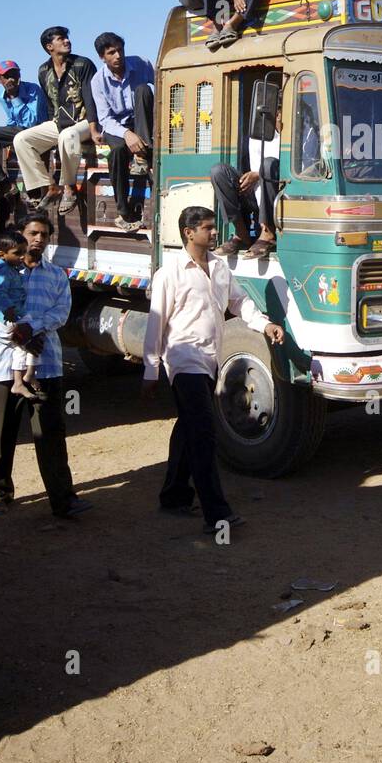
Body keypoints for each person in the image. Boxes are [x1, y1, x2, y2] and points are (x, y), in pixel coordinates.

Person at [141, 206, 284, 534]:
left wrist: (266, 325)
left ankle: (174, 495)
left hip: (209, 362)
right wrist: (150, 372)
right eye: (207, 228)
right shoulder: (170, 273)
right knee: (204, 435)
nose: (214, 232)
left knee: (188, 429)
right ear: (188, 233)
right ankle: (217, 514)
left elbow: (240, 304)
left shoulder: (219, 268)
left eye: (213, 227)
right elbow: (156, 323)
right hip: (183, 362)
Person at [0, 212, 92, 518]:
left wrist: (32, 330)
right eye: (33, 233)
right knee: (1, 432)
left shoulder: (55, 276)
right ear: (20, 235)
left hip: (45, 365)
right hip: (3, 365)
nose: (38, 239)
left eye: (44, 234)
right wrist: (19, 338)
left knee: (50, 432)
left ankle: (63, 499)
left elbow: (61, 313)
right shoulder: (0, 272)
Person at [12, 27, 98, 214]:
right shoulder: (43, 71)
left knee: (67, 136)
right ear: (49, 46)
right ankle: (50, 186)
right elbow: (51, 103)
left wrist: (93, 129)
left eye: (66, 37)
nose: (67, 41)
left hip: (84, 121)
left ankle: (68, 187)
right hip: (59, 121)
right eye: (61, 39)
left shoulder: (83, 64)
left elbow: (91, 100)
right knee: (21, 139)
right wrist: (50, 125)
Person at [90, 33, 155, 233]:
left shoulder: (141, 63)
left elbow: (161, 87)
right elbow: (105, 119)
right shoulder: (98, 81)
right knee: (117, 151)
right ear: (102, 57)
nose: (118, 55)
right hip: (116, 126)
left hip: (143, 120)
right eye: (111, 52)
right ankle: (123, 213)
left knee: (144, 89)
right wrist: (127, 134)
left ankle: (142, 157)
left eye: (120, 50)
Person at [0, 230, 44, 400]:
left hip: (18, 313)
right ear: (2, 254)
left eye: (23, 252)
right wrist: (7, 309)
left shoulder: (6, 268)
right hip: (9, 316)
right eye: (17, 253)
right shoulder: (3, 271)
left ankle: (29, 374)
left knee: (36, 337)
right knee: (23, 343)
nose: (22, 257)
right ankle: (19, 381)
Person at [0, 61, 49, 206]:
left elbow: (31, 122)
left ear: (19, 75)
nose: (11, 79)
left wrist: (14, 97)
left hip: (36, 130)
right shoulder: (0, 94)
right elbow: (12, 118)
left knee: (18, 136)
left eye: (14, 74)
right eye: (6, 76)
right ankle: (1, 183)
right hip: (17, 129)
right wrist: (1, 137)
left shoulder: (33, 90)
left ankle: (33, 192)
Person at [211, 110, 282, 261]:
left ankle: (268, 231)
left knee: (269, 164)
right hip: (255, 193)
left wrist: (257, 174)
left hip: (279, 196)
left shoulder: (299, 135)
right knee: (219, 172)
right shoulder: (258, 135)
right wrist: (248, 178)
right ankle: (241, 233)